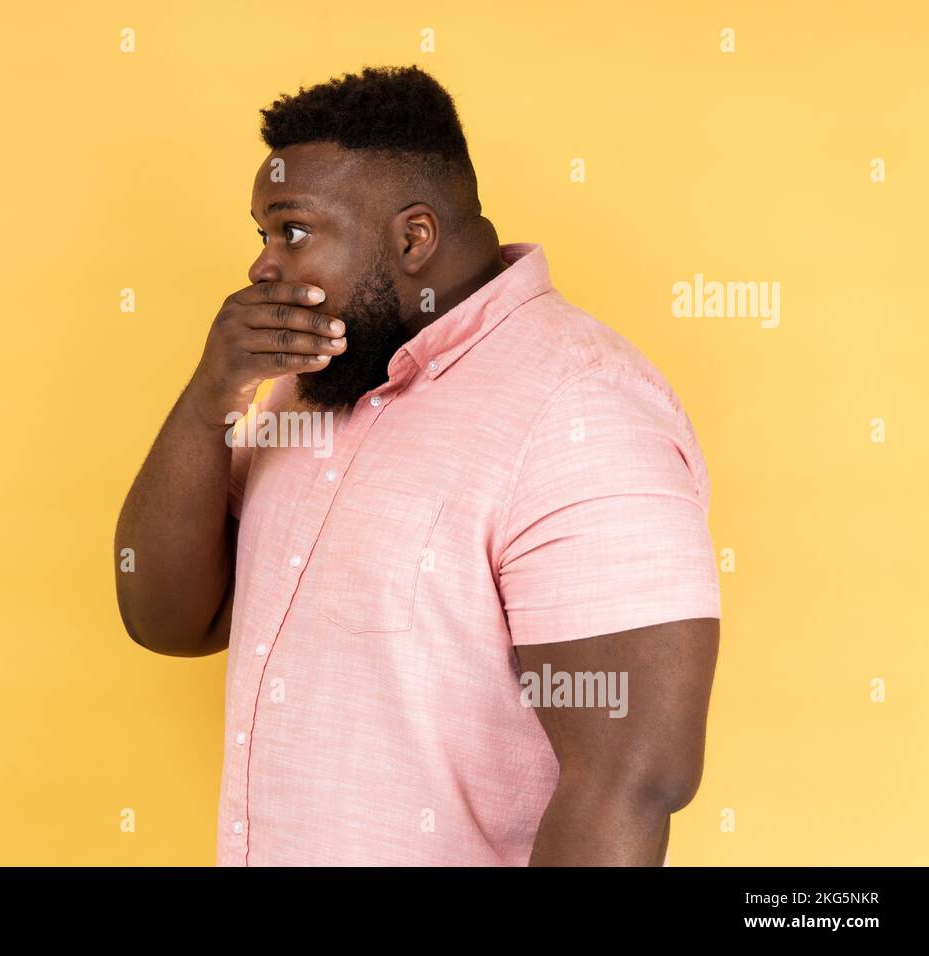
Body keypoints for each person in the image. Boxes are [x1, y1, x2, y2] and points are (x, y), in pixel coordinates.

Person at [115, 65, 721, 866]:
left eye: (290, 231)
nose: (263, 267)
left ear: (413, 238)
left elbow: (633, 780)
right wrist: (207, 400)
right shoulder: (302, 387)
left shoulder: (582, 410)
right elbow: (170, 622)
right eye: (259, 236)